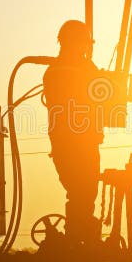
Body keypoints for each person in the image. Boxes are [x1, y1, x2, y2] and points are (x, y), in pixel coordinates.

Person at [43, 20, 104, 244]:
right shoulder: (86, 70)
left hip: (60, 147)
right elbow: (103, 97)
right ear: (80, 43)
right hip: (83, 145)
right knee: (85, 193)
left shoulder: (52, 72)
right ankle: (80, 239)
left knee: (77, 193)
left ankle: (77, 236)